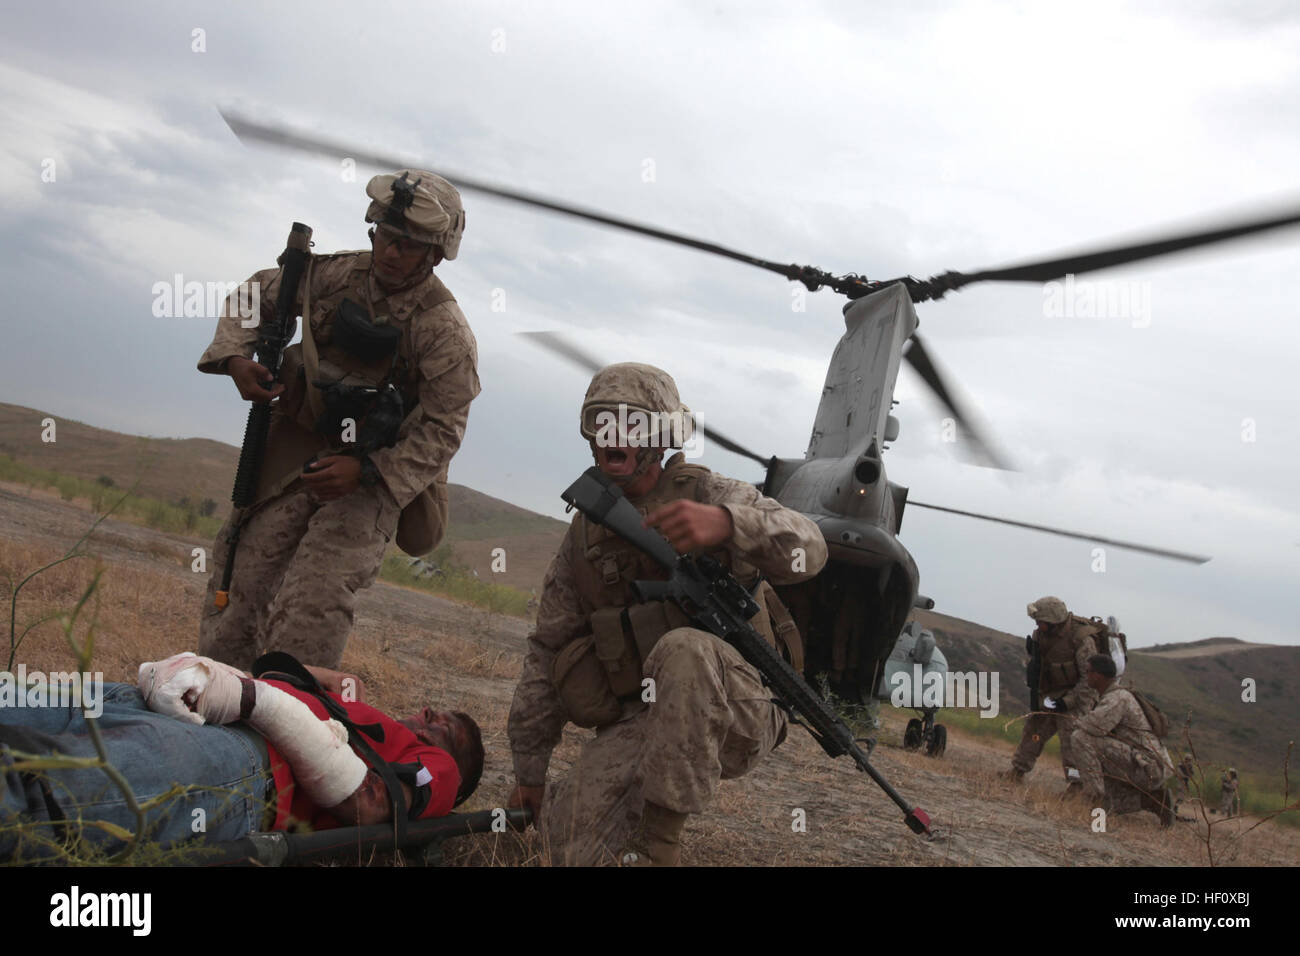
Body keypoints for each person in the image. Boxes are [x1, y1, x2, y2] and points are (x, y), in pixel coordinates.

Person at [505, 363, 828, 866]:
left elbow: (811, 549)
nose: (613, 435)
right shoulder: (587, 535)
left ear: (659, 436)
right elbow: (547, 649)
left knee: (686, 649)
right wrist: (529, 773)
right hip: (647, 718)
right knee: (556, 849)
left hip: (740, 706)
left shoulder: (712, 495)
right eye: (601, 422)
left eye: (630, 424)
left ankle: (661, 848)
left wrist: (727, 525)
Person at [197, 170, 480, 671]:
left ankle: (290, 719)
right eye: (386, 238)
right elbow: (253, 297)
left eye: (408, 246)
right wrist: (235, 359)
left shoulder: (445, 333)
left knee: (315, 599)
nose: (391, 254)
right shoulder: (334, 275)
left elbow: (443, 430)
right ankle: (219, 700)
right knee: (241, 577)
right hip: (300, 447)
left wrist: (368, 472)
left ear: (435, 254)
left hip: (373, 471)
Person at [0, 652, 484, 862]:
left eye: (450, 727)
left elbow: (369, 805)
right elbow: (263, 678)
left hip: (243, 768)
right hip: (193, 715)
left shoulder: (438, 773)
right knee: (18, 700)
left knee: (36, 787)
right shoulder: (376, 729)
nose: (431, 713)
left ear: (455, 774)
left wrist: (258, 701)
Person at [1067, 654, 1174, 825]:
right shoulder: (1114, 696)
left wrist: (1076, 722)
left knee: (1081, 738)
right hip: (1147, 766)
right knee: (1108, 802)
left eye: (1088, 672)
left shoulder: (1117, 698)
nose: (1086, 676)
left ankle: (1092, 799)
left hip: (1148, 767)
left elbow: (1095, 727)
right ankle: (1154, 801)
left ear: (1099, 675)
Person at [1006, 596, 1100, 782]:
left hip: (1076, 698)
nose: (1038, 625)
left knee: (1072, 744)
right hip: (1050, 695)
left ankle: (1076, 786)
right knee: (1033, 733)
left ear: (1054, 621)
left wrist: (1068, 702)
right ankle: (1017, 771)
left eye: (1042, 622)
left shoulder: (1081, 639)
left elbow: (1089, 680)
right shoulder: (1040, 635)